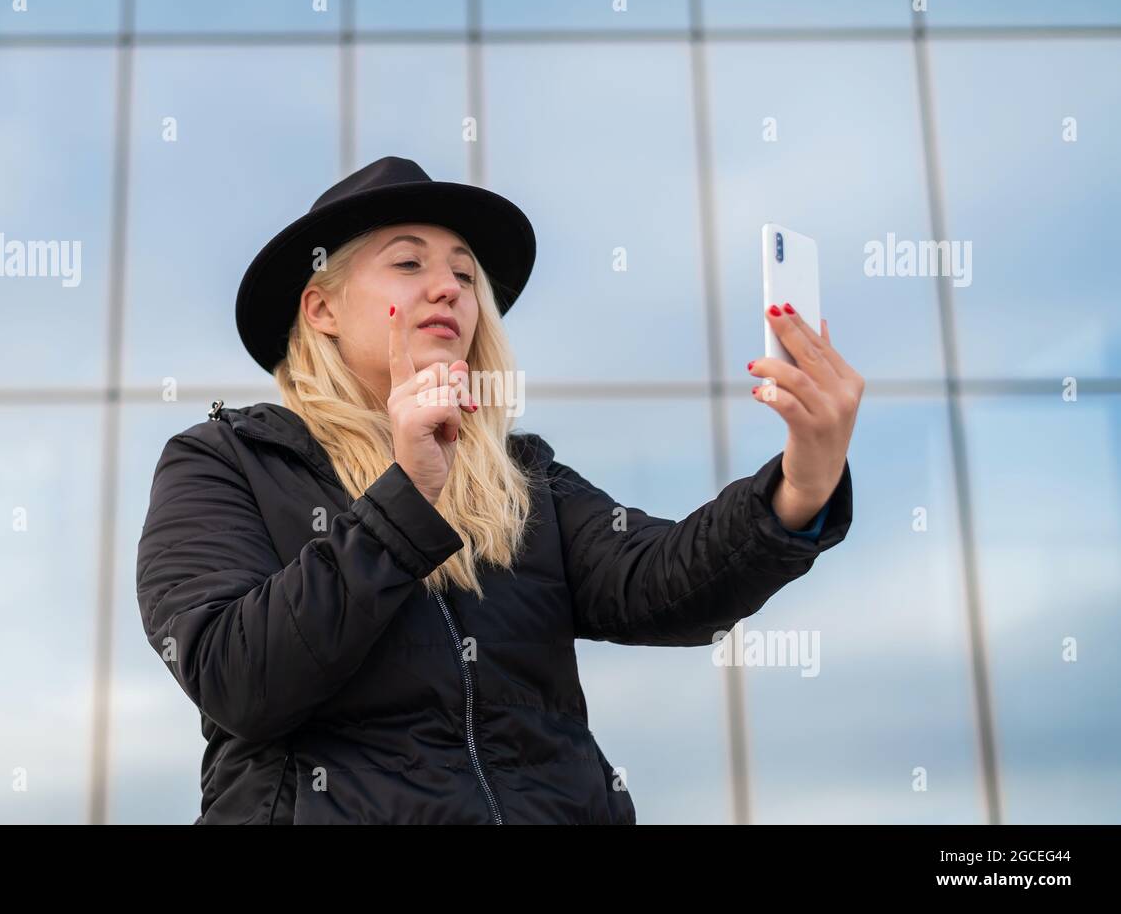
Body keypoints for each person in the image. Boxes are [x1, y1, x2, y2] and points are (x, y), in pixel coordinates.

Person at [134, 156, 863, 824]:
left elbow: (663, 580)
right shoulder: (226, 463)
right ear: (321, 309)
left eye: (463, 273)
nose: (449, 286)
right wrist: (406, 498)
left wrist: (803, 479)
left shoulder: (524, 479)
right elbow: (237, 677)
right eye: (408, 262)